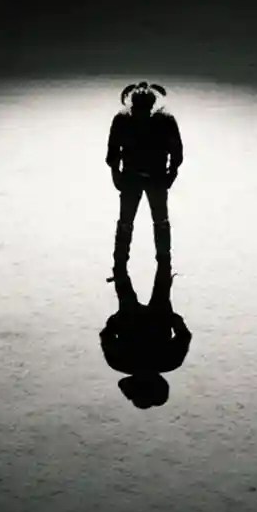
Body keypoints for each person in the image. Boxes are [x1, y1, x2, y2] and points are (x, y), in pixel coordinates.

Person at [106, 82, 184, 273]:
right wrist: (171, 173)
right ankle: (163, 259)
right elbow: (177, 153)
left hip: (133, 178)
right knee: (160, 221)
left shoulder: (122, 119)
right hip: (155, 177)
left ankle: (121, 260)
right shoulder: (166, 120)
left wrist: (116, 174)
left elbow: (112, 154)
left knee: (126, 222)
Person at [99, 259, 191, 408]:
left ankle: (153, 241)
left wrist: (173, 319)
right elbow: (106, 336)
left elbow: (184, 336)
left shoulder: (170, 362)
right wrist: (115, 321)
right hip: (134, 319)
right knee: (124, 278)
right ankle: (126, 238)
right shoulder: (119, 363)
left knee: (162, 274)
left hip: (156, 319)